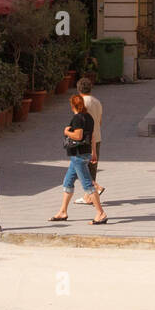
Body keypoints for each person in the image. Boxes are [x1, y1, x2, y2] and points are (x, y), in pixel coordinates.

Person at [49, 93, 107, 224]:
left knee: (88, 185)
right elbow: (91, 136)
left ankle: (101, 213)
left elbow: (78, 135)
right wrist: (93, 152)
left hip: (78, 156)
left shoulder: (77, 118)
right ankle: (63, 212)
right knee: (68, 182)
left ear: (73, 106)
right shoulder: (89, 117)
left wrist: (66, 132)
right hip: (84, 153)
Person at [74, 77, 105, 203]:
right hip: (97, 137)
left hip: (85, 139)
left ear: (78, 89)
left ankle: (93, 190)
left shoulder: (80, 102)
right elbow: (100, 121)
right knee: (92, 168)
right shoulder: (97, 102)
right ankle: (90, 195)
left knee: (81, 167)